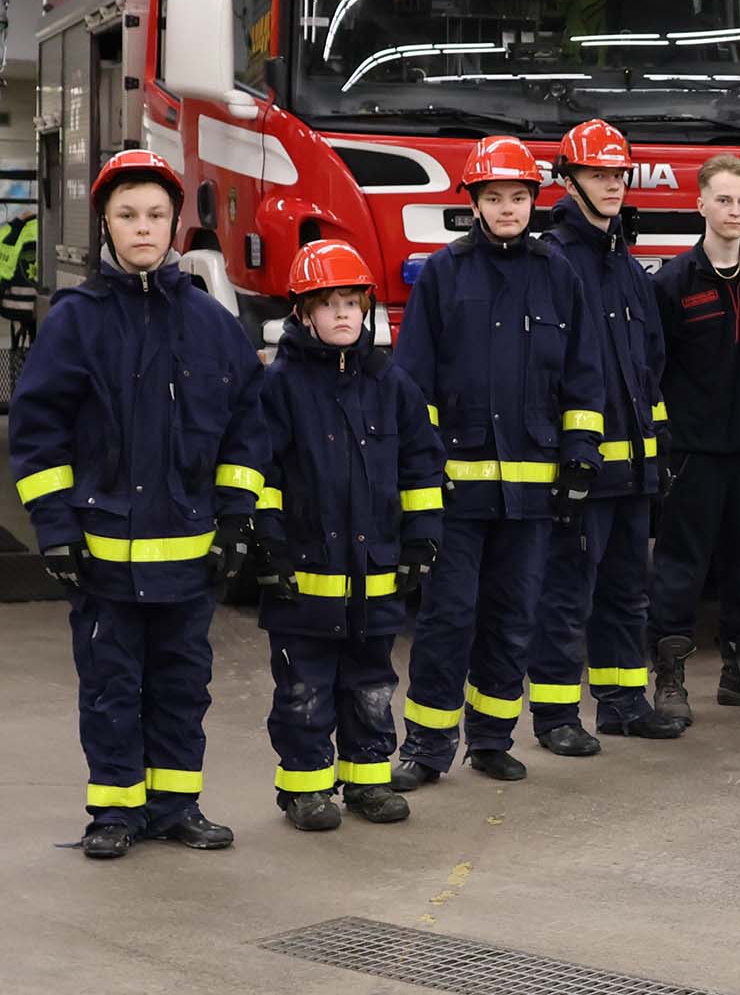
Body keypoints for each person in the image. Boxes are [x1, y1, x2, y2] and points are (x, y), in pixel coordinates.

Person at [11, 149, 265, 859]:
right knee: (111, 686)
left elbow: (249, 425)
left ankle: (176, 806)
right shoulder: (76, 321)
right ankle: (115, 811)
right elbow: (38, 430)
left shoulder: (211, 322)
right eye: (128, 215)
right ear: (106, 224)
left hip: (188, 556)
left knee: (183, 685)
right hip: (102, 558)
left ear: (175, 223)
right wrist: (56, 529)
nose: (143, 227)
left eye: (156, 214)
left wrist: (236, 521)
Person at [392, 136, 605, 790]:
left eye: (517, 196)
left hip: (533, 494)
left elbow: (583, 376)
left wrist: (580, 456)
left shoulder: (557, 274)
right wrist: (423, 471)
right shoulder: (444, 274)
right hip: (457, 492)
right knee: (448, 619)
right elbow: (413, 385)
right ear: (475, 203)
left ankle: (490, 739)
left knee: (514, 617)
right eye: (494, 197)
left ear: (534, 201)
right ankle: (426, 747)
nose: (507, 208)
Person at [255, 240, 443, 830]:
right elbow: (259, 474)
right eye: (328, 303)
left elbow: (421, 468)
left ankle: (368, 782)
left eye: (351, 303)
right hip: (303, 580)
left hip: (374, 576)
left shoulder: (393, 384)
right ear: (303, 312)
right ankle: (305, 790)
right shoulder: (279, 386)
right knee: (304, 689)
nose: (342, 314)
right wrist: (269, 547)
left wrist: (421, 539)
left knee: (370, 685)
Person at [526, 120, 679, 756]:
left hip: (633, 467)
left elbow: (651, 363)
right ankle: (557, 713)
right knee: (567, 594)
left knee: (626, 591)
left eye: (619, 174)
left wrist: (658, 444)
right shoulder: (553, 261)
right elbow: (545, 371)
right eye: (598, 174)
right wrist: (567, 455)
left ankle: (623, 703)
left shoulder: (627, 264)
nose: (613, 185)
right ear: (568, 181)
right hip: (583, 467)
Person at [648, 153, 740, 728]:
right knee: (681, 566)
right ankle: (670, 680)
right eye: (724, 200)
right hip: (693, 453)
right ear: (701, 204)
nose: (735, 211)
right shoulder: (672, 282)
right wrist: (676, 433)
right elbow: (655, 368)